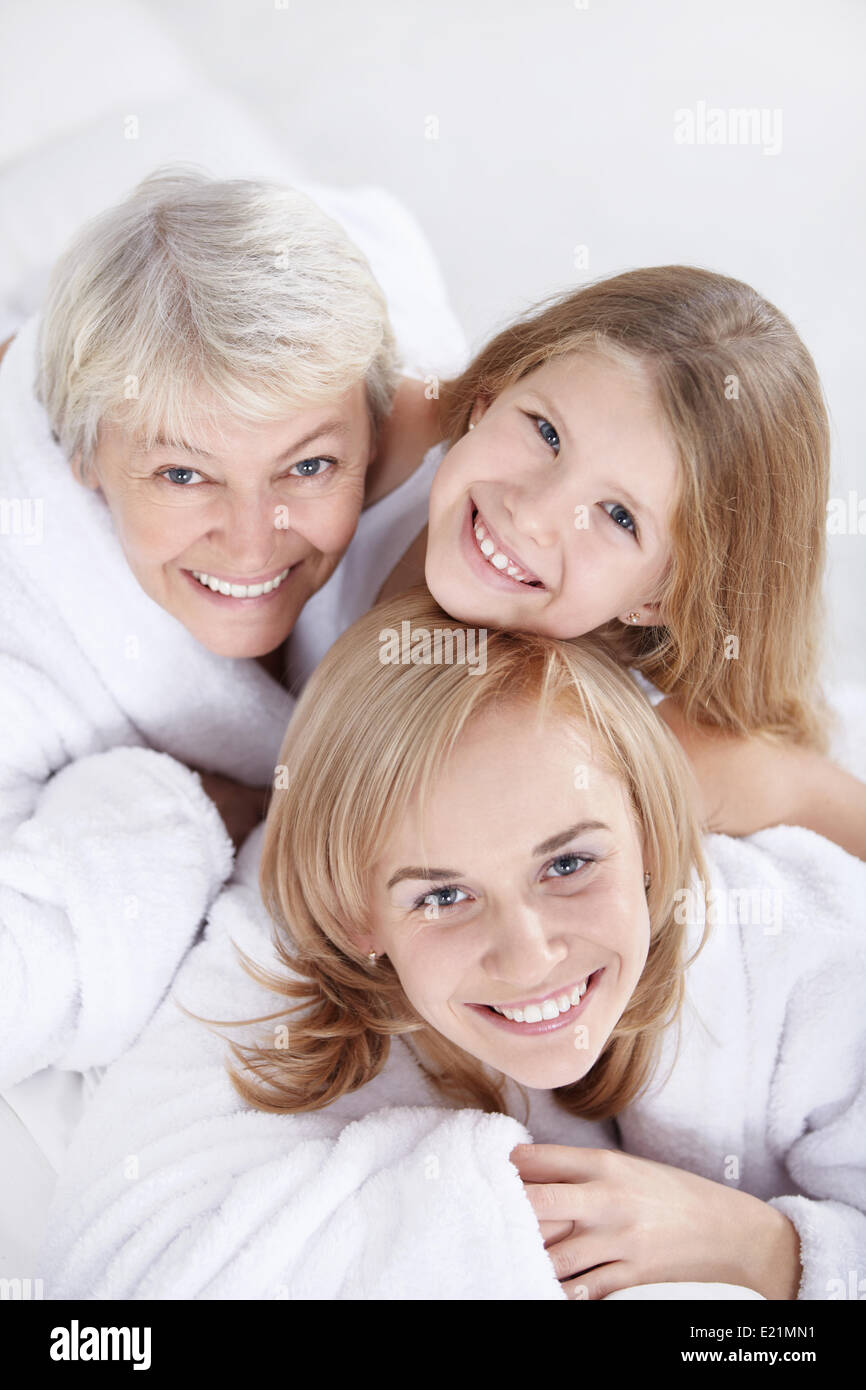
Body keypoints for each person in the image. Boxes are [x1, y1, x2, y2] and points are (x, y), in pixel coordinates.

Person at [40, 588, 866, 1299]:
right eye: (442, 895)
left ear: (651, 838)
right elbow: (129, 1272)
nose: (529, 953)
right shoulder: (273, 987)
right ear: (359, 914)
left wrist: (764, 1249)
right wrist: (489, 1218)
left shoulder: (789, 948)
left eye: (569, 863)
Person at [0, 166, 452, 1090]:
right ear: (83, 455)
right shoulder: (26, 639)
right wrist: (209, 810)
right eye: (182, 476)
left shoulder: (427, 422)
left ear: (379, 426)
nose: (253, 542)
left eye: (309, 465)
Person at [380, 267, 866, 857]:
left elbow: (813, 795)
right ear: (490, 397)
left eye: (619, 516)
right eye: (547, 433)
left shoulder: (614, 742)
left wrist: (789, 784)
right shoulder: (369, 438)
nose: (534, 515)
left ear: (658, 599)